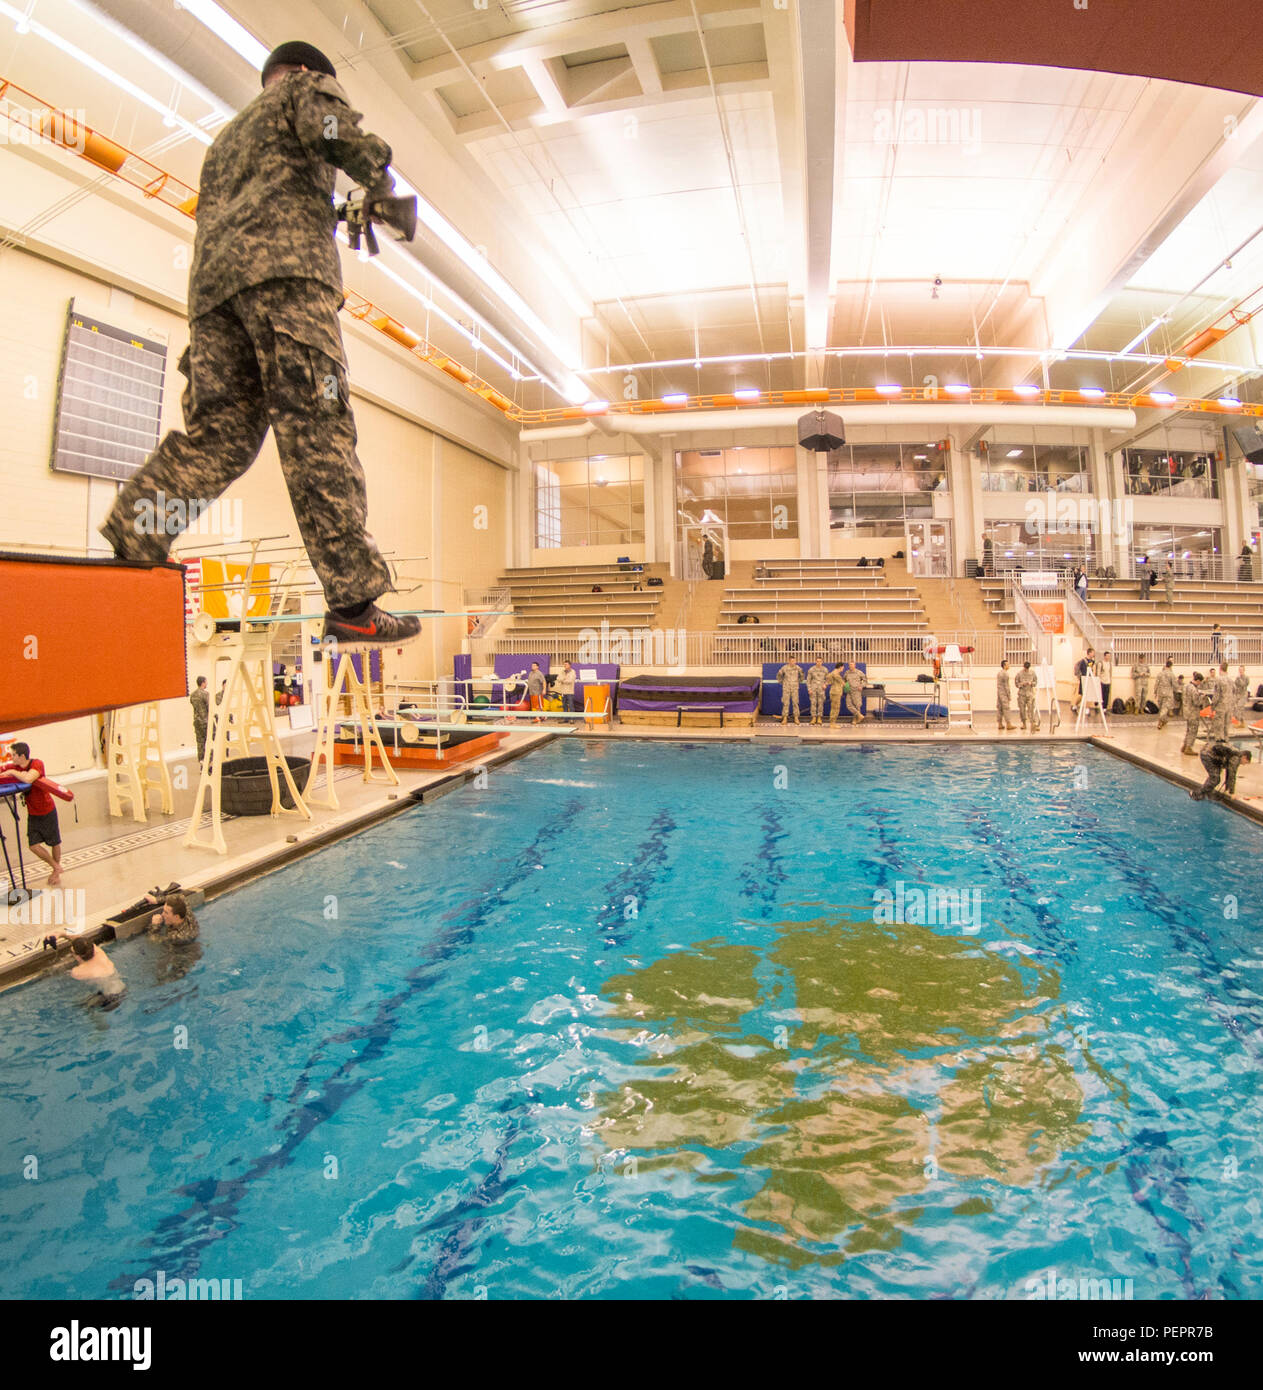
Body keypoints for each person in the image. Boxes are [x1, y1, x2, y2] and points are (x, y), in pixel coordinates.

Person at [96, 42, 421, 651]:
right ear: (305, 73)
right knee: (319, 429)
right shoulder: (304, 92)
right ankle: (354, 601)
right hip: (287, 291)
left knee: (219, 436)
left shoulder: (225, 144)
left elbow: (265, 206)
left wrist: (333, 212)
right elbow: (334, 128)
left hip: (216, 302)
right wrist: (378, 174)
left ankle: (138, 529)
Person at [0, 742, 64, 886]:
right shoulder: (15, 767)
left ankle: (56, 873)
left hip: (47, 809)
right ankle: (56, 867)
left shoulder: (37, 764)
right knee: (33, 845)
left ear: (22, 756)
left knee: (54, 842)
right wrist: (11, 771)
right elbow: (3, 770)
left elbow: (29, 778)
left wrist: (12, 773)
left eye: (13, 755)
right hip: (33, 812)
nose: (11, 758)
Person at [68, 936, 126, 1008]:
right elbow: (83, 940)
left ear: (78, 956)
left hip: (110, 998)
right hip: (122, 989)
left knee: (83, 1007)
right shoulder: (100, 954)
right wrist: (61, 934)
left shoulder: (77, 972)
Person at [1179, 673, 1205, 755]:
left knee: (1188, 730)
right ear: (1197, 680)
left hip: (1186, 711)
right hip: (1193, 712)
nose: (1199, 684)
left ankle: (1185, 745)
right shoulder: (1193, 689)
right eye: (1199, 682)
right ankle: (1189, 748)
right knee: (1193, 730)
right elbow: (1196, 702)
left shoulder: (1186, 686)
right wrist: (1202, 697)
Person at [1014, 660, 1039, 732]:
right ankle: (1024, 723)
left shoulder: (1032, 673)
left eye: (1027, 669)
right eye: (1025, 668)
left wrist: (1031, 683)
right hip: (1022, 694)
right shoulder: (1019, 674)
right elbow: (1016, 684)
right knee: (1022, 710)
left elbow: (1036, 682)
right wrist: (1022, 684)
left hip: (1030, 693)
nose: (1026, 670)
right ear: (1023, 667)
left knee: (1031, 709)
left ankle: (1033, 724)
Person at [190, 675, 210, 762]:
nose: (207, 683)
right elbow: (210, 707)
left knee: (200, 742)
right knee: (209, 741)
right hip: (205, 721)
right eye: (206, 682)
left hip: (196, 721)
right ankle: (209, 762)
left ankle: (201, 760)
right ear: (203, 683)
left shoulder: (193, 695)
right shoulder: (205, 694)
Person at [776, 661, 803, 725]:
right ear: (789, 661)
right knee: (786, 703)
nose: (792, 662)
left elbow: (802, 675)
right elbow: (779, 675)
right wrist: (782, 682)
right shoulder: (784, 668)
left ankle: (796, 717)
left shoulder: (798, 668)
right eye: (791, 661)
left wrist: (798, 682)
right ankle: (785, 717)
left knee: (795, 702)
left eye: (794, 661)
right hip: (786, 688)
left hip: (795, 688)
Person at [806, 658, 829, 727]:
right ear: (815, 661)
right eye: (817, 661)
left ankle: (819, 717)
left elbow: (828, 679)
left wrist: (825, 684)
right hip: (813, 688)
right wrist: (809, 689)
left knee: (820, 703)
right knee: (813, 703)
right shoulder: (811, 669)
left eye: (820, 661)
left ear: (822, 662)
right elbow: (808, 680)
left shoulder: (825, 670)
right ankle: (813, 717)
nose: (818, 662)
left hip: (821, 689)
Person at [1072, 647, 1095, 715]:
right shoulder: (1083, 661)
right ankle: (1075, 705)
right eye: (1092, 652)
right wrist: (1080, 677)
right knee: (1082, 695)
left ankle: (1087, 709)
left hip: (1089, 679)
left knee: (1087, 694)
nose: (1093, 654)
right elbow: (1078, 669)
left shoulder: (1092, 661)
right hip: (1083, 679)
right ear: (1089, 653)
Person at [1154, 659, 1176, 728]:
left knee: (1161, 708)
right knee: (1165, 708)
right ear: (1171, 666)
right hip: (1168, 693)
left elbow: (1156, 683)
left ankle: (1164, 720)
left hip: (1160, 692)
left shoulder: (1160, 673)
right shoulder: (1171, 674)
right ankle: (1160, 721)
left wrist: (1155, 692)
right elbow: (1174, 684)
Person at [996, 660, 1016, 731]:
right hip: (1004, 693)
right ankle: (1008, 724)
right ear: (1004, 665)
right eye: (1008, 664)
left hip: (999, 693)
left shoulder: (999, 673)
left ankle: (1000, 724)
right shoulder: (1005, 674)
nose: (1009, 665)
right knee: (1006, 708)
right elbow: (1006, 686)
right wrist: (1009, 695)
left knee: (1000, 708)